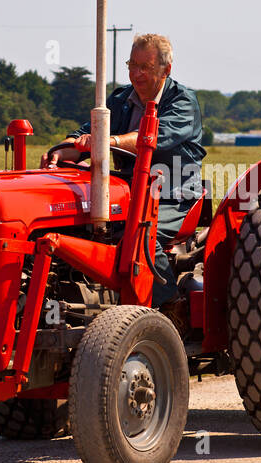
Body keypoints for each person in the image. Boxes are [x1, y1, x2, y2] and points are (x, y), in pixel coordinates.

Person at [42, 33, 206, 307]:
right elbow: (86, 135)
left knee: (140, 238)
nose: (137, 74)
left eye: (146, 67)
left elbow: (152, 137)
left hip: (173, 194)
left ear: (166, 69)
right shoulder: (120, 100)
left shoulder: (182, 101)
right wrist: (60, 151)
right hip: (128, 191)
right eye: (132, 65)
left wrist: (109, 140)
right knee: (75, 227)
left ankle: (168, 307)